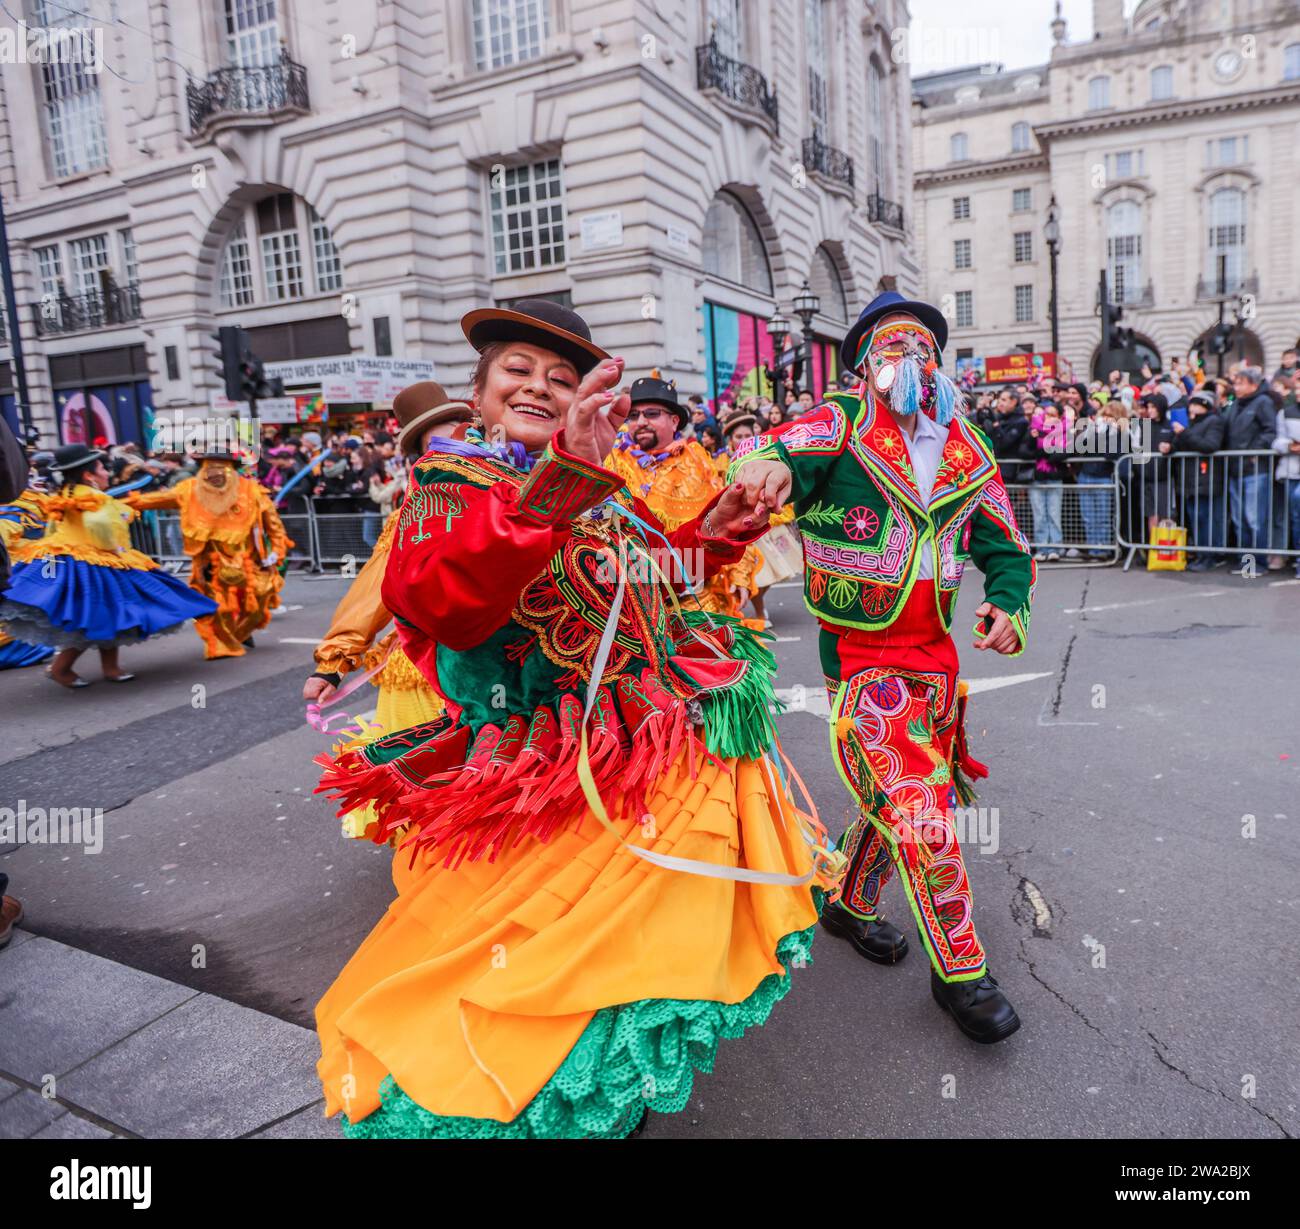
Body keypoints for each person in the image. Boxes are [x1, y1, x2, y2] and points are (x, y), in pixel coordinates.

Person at [313, 298, 838, 1138]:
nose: (538, 386)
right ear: (479, 396)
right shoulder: (448, 493)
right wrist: (562, 475)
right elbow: (447, 600)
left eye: (561, 379)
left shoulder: (601, 489)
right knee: (533, 963)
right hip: (543, 770)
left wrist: (714, 533)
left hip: (642, 743)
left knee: (625, 950)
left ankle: (600, 1099)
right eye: (516, 371)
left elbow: (650, 575)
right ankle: (523, 1099)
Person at [731, 290, 1035, 1044]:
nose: (909, 360)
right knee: (923, 811)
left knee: (900, 798)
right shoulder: (839, 424)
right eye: (892, 349)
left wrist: (1009, 604)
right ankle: (962, 970)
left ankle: (847, 906)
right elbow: (779, 451)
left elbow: (1005, 545)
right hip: (864, 661)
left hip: (937, 664)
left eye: (923, 348)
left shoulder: (968, 447)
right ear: (865, 366)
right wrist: (765, 467)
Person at [305, 382, 474, 840]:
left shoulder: (508, 497)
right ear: (422, 457)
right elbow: (373, 591)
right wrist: (333, 665)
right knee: (428, 781)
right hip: (423, 671)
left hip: (495, 668)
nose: (456, 449)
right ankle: (432, 869)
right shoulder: (414, 515)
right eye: (438, 443)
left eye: (462, 435)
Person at [0, 443, 217, 687]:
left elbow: (53, 529)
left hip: (64, 558)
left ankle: (107, 668)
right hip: (95, 562)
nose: (106, 472)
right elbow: (103, 530)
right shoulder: (96, 499)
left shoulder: (63, 496)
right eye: (102, 467)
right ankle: (64, 668)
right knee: (100, 616)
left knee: (105, 616)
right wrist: (120, 551)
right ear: (88, 474)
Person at [605, 372, 762, 624]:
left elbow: (732, 517)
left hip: (700, 602)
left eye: (651, 414)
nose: (641, 421)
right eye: (633, 415)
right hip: (633, 602)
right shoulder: (612, 461)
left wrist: (738, 574)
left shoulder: (699, 462)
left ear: (675, 420)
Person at [126, 446, 292, 659]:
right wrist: (118, 503)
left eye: (221, 466)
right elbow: (153, 500)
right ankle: (220, 644)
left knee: (256, 606)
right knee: (214, 607)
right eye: (209, 466)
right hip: (209, 565)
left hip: (248, 563)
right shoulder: (189, 489)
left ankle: (238, 633)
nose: (214, 472)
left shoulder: (252, 492)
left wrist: (276, 552)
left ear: (232, 469)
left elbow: (275, 527)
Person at [1222, 367, 1276, 569]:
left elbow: (1270, 431)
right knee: (1239, 519)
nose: (1236, 387)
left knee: (1254, 519)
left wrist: (1255, 452)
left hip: (1255, 469)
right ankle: (1246, 562)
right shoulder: (1235, 405)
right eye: (1235, 383)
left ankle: (1258, 562)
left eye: (1240, 383)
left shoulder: (1263, 402)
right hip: (1235, 468)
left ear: (1253, 385)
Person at [1174, 390, 1227, 570]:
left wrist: (1185, 433)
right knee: (1197, 519)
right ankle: (1202, 555)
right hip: (1192, 480)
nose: (1191, 407)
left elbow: (1209, 446)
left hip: (1206, 479)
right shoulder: (1193, 423)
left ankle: (1209, 556)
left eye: (1195, 404)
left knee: (1206, 519)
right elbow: (1185, 445)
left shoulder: (1214, 422)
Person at [1024, 403, 1071, 562]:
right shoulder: (1035, 430)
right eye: (1047, 414)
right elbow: (1027, 452)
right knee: (1040, 515)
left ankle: (1055, 548)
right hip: (1037, 478)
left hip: (1054, 477)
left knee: (1053, 514)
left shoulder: (1065, 433)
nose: (1050, 417)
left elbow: (1060, 454)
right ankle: (1042, 547)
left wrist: (1044, 451)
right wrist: (1033, 438)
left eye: (1053, 414)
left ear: (1059, 417)